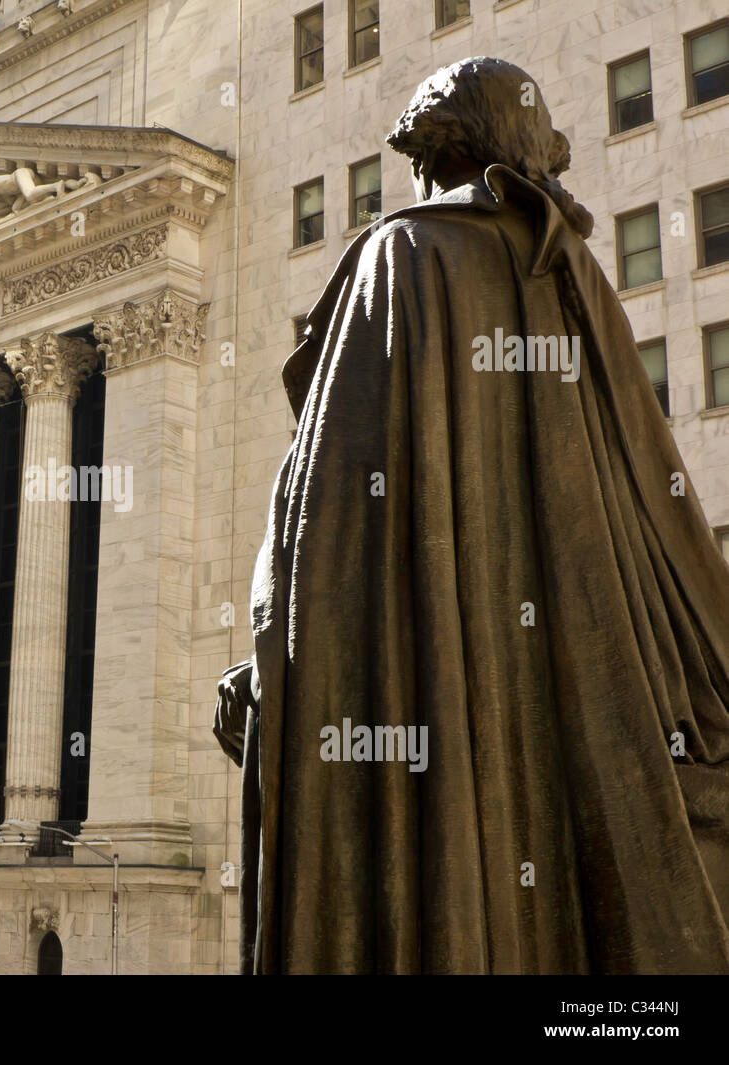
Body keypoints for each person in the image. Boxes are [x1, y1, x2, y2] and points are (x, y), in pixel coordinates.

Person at [216, 57, 729, 974]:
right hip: (583, 745)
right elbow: (669, 532)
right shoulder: (578, 288)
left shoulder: (401, 260)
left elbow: (324, 535)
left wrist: (275, 674)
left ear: (436, 154)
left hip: (433, 755)